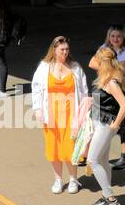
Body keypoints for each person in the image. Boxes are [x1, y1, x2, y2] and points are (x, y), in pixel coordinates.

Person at [31, 36, 90, 195]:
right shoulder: (44, 67)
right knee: (54, 149)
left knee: (70, 149)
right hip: (51, 115)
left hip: (72, 115)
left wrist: (84, 114)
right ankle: (58, 180)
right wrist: (37, 109)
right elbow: (36, 88)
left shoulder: (75, 68)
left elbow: (84, 92)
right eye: (62, 49)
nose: (65, 52)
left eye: (67, 49)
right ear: (54, 50)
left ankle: (73, 179)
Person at [83, 48, 125, 205]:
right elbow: (91, 62)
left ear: (104, 63)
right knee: (103, 162)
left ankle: (111, 199)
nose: (95, 61)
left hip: (105, 126)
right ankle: (106, 195)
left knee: (93, 161)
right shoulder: (104, 76)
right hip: (97, 122)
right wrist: (102, 50)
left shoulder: (111, 82)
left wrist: (115, 125)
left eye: (99, 59)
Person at [90, 26, 125, 169]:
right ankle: (90, 152)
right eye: (112, 36)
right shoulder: (104, 47)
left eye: (119, 36)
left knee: (124, 119)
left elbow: (120, 72)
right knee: (97, 115)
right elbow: (92, 62)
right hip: (103, 82)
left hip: (121, 85)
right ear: (108, 37)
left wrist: (104, 65)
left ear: (124, 38)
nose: (115, 39)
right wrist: (109, 66)